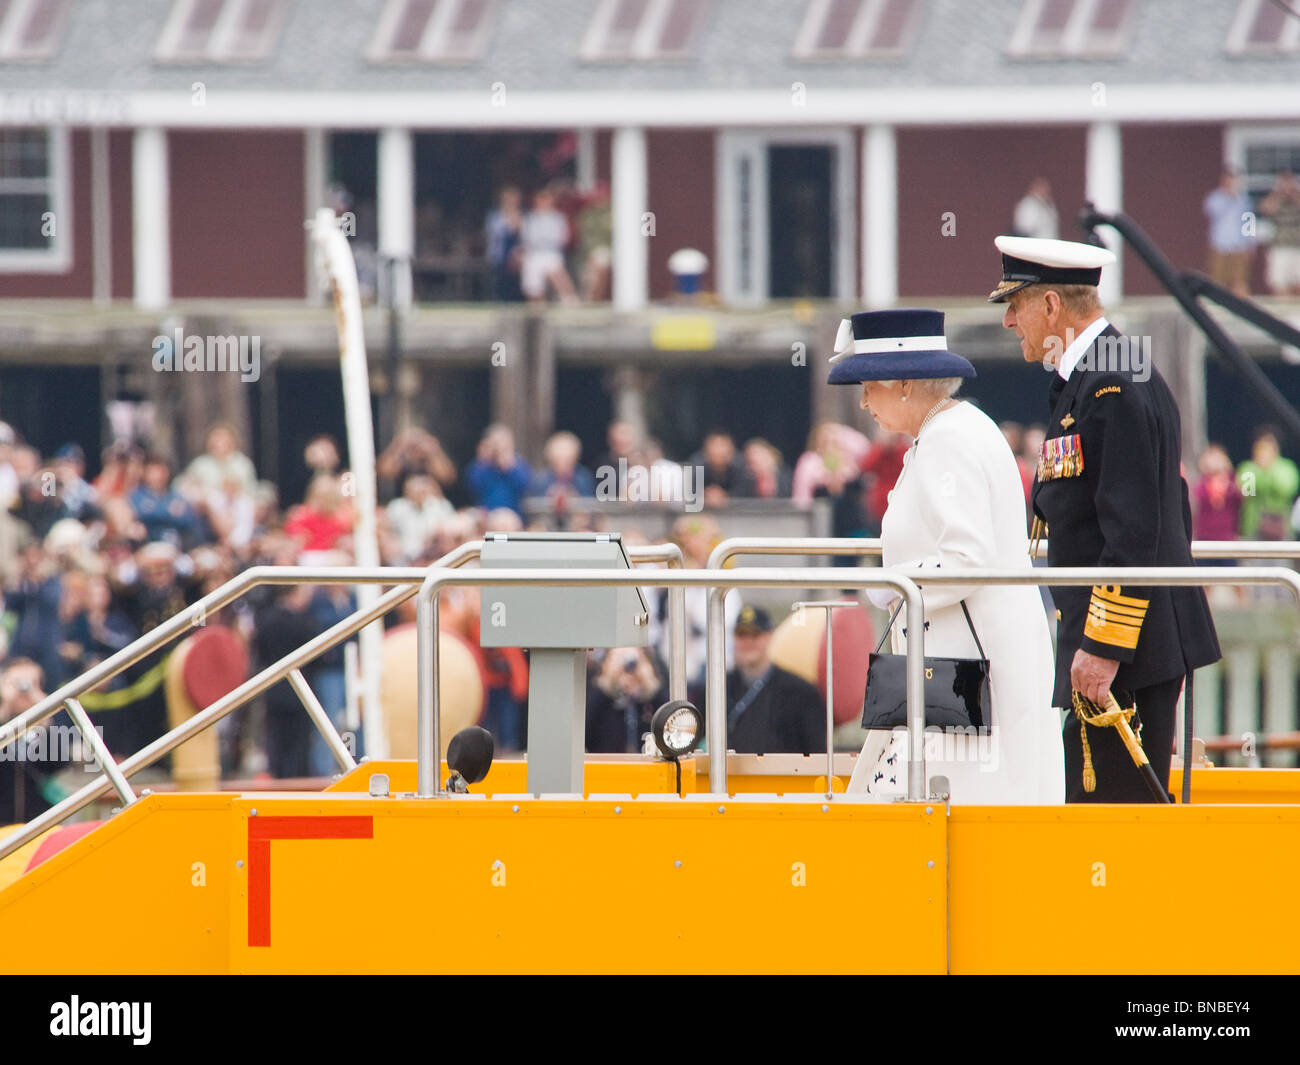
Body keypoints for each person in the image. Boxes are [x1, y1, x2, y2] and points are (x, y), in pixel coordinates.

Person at [989, 234, 1221, 802]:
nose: (1009, 322)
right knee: (1106, 818)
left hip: (1124, 656)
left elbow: (1134, 530)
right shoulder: (1097, 376)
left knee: (1113, 828)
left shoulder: (1111, 387)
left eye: (1015, 305)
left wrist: (1103, 647)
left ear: (1051, 306)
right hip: (1125, 646)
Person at [829, 308, 1062, 804]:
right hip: (967, 662)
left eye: (869, 386)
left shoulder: (948, 440)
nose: (864, 401)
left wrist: (891, 585)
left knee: (959, 811)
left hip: (968, 670)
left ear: (904, 385)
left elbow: (966, 559)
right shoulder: (953, 429)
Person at [723, 605, 825, 756]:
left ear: (769, 636)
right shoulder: (719, 689)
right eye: (742, 635)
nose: (748, 642)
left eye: (755, 635)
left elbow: (817, 753)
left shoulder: (800, 693)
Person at [1236, 427, 1298, 541]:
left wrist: (1269, 470)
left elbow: (1285, 490)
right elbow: (1247, 492)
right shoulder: (1248, 468)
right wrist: (1260, 470)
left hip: (1280, 529)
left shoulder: (1286, 468)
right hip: (1253, 528)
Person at [1203, 166, 1255, 298]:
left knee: (1240, 280)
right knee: (1218, 280)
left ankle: (1242, 305)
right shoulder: (1215, 198)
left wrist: (1250, 243)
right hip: (1220, 245)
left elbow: (1248, 221)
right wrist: (1227, 197)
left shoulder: (1244, 199)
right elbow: (1212, 212)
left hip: (1239, 246)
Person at [1259, 169, 1300, 297]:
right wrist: (1279, 194)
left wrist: (1294, 194)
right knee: (1279, 283)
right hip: (1279, 246)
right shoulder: (1275, 197)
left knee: (1297, 282)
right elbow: (1265, 209)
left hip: (1297, 246)